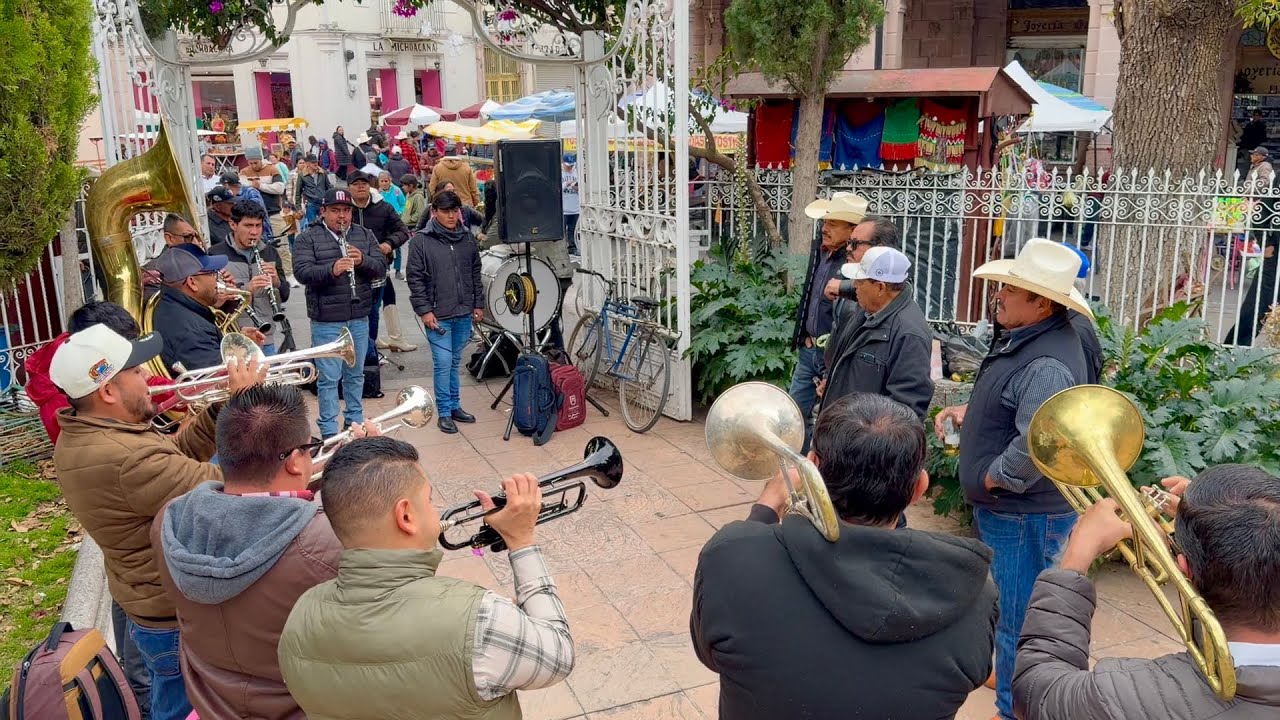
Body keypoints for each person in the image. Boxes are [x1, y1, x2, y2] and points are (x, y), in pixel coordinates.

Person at [691, 393, 998, 720]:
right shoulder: (976, 596)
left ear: (812, 467)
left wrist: (765, 508)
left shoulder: (728, 558)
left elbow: (710, 654)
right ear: (918, 488)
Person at [51, 323, 265, 720]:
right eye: (136, 371)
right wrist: (244, 407)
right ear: (108, 391)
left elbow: (175, 454)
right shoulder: (123, 455)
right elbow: (234, 482)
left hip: (151, 602)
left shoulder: (94, 430)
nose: (148, 377)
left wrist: (219, 408)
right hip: (171, 616)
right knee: (183, 707)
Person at [278, 437, 575, 719]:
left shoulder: (300, 616)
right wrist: (521, 541)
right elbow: (559, 654)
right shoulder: (481, 619)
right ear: (406, 516)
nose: (436, 511)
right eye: (429, 500)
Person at [933, 237, 1092, 720]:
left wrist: (996, 478)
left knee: (1018, 622)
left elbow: (1036, 444)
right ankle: (1012, 688)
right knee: (1013, 612)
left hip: (1022, 514)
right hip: (1019, 513)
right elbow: (1025, 407)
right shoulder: (1036, 337)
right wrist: (974, 410)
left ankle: (1011, 711)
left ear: (1041, 303)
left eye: (1010, 288)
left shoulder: (1046, 363)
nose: (998, 294)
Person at [153, 385, 375, 720]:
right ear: (296, 461)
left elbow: (261, 509)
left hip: (213, 705)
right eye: (310, 449)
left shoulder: (170, 521)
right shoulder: (333, 545)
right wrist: (372, 479)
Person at [1014, 465, 1280, 719]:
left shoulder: (1123, 699)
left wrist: (1076, 557)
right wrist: (1219, 521)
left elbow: (1038, 692)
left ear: (1184, 569)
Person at [22, 301, 171, 712]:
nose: (144, 374)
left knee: (127, 595)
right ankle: (141, 696)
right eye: (133, 366)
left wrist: (179, 397)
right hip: (136, 546)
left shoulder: (81, 377)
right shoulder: (73, 404)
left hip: (132, 548)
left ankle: (139, 687)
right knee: (143, 637)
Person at [292, 187, 387, 439]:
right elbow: (301, 272)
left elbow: (381, 268)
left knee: (355, 375)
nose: (342, 216)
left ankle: (354, 423)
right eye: (335, 210)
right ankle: (329, 430)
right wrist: (331, 270)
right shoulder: (308, 237)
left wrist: (363, 260)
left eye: (346, 211)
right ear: (323, 211)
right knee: (328, 378)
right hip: (327, 320)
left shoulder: (364, 235)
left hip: (359, 317)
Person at [789, 192, 868, 451]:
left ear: (852, 230)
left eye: (833, 224)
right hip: (808, 349)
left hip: (833, 354)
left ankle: (820, 467)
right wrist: (802, 336)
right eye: (825, 222)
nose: (825, 228)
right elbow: (809, 296)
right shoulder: (821, 251)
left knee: (828, 419)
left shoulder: (858, 263)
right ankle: (799, 466)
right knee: (795, 414)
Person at [819, 246, 933, 419]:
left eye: (860, 281)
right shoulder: (871, 307)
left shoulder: (909, 334)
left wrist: (860, 433)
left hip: (860, 434)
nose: (854, 286)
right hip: (840, 429)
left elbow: (906, 411)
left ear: (880, 288)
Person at [406, 190, 484, 434]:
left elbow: (475, 274)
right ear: (434, 212)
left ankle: (454, 405)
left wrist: (477, 304)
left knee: (454, 361)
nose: (451, 216)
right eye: (446, 211)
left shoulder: (467, 238)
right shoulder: (421, 241)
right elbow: (415, 279)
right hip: (437, 314)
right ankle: (445, 412)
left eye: (455, 211)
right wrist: (424, 310)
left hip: (463, 311)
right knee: (443, 362)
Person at [150, 243, 266, 372]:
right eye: (213, 274)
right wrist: (247, 355)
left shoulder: (175, 307)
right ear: (192, 283)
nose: (218, 281)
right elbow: (221, 379)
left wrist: (236, 343)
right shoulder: (190, 332)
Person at [208, 199, 291, 355]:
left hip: (266, 337)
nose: (254, 232)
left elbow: (285, 295)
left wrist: (277, 282)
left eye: (258, 226)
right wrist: (247, 290)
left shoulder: (270, 252)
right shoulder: (215, 254)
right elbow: (212, 302)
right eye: (248, 225)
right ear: (233, 224)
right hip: (234, 338)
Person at [349, 172, 414, 359]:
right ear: (349, 187)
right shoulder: (343, 208)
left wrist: (389, 244)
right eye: (356, 184)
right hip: (350, 269)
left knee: (374, 308)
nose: (361, 186)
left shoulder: (383, 208)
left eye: (364, 183)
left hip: (378, 267)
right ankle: (369, 347)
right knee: (360, 310)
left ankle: (373, 349)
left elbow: (402, 231)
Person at [561, 152, 580, 255]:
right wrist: (566, 183)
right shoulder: (560, 172)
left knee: (573, 229)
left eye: (571, 165)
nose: (570, 167)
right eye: (568, 165)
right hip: (563, 208)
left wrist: (577, 187)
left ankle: (572, 247)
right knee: (562, 230)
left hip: (575, 207)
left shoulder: (576, 172)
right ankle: (562, 248)